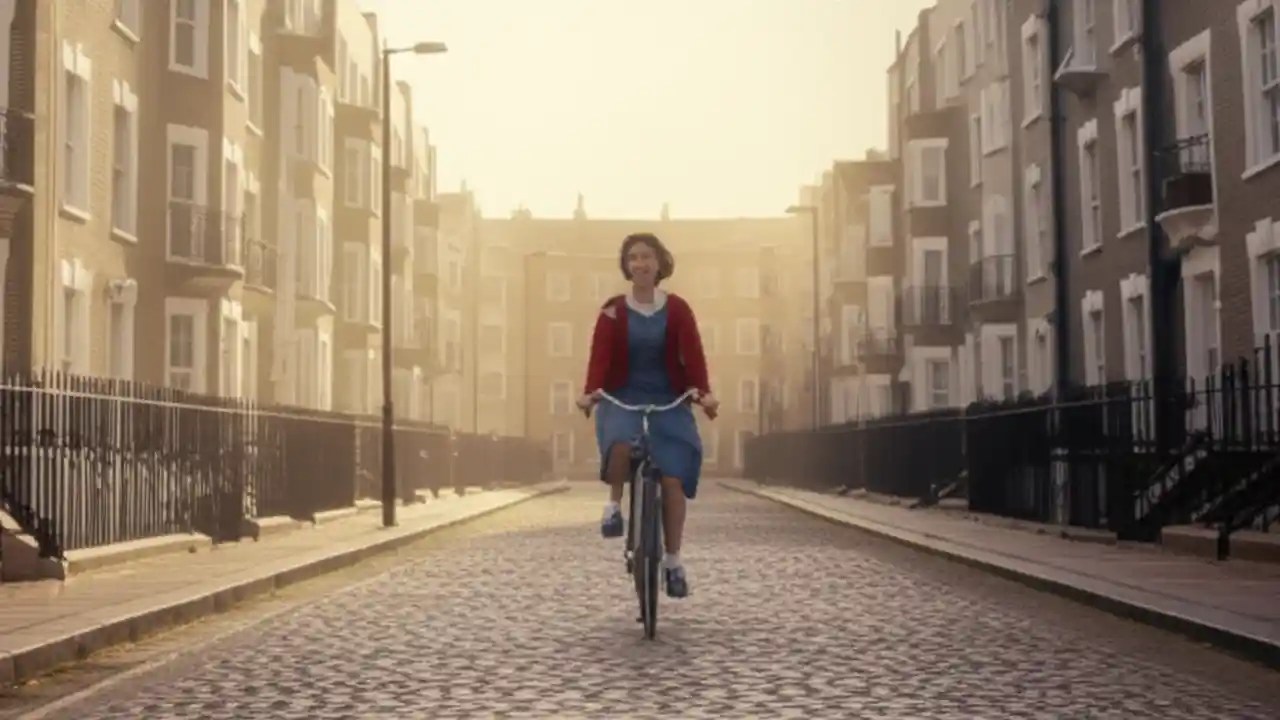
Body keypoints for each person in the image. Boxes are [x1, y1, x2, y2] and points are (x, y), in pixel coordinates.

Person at [578, 232, 718, 599]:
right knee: (621, 442)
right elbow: (599, 357)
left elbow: (694, 355)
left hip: (668, 398)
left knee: (672, 480)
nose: (640, 263)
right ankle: (614, 506)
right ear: (627, 266)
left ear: (659, 263)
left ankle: (673, 563)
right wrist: (590, 393)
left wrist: (703, 393)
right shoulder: (613, 310)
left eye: (646, 257)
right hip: (623, 395)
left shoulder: (678, 309)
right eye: (633, 258)